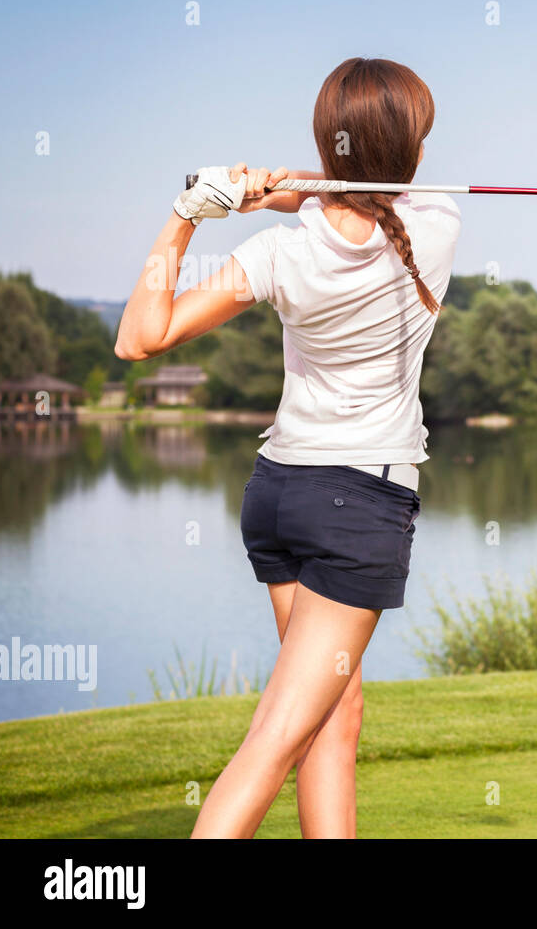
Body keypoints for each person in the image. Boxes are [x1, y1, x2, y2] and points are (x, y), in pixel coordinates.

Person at [113, 57, 461, 838]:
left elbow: (141, 336)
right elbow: (343, 187)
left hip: (278, 498)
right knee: (274, 741)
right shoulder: (435, 221)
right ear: (407, 152)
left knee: (335, 717)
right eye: (422, 137)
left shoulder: (277, 253)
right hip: (358, 508)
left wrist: (192, 211)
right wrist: (280, 188)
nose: (430, 152)